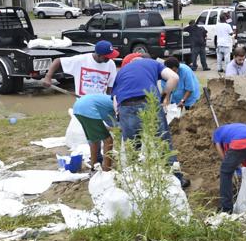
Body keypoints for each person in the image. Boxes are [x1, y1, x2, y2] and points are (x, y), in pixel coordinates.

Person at [112, 53, 188, 188]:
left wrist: (119, 115)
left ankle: (135, 184)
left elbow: (115, 99)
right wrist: (164, 96)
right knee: (163, 142)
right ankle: (176, 180)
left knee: (133, 146)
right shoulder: (153, 63)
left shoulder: (121, 72)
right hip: (148, 102)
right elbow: (174, 78)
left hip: (125, 107)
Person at [42, 40, 118, 95]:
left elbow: (110, 86)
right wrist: (48, 77)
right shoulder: (81, 60)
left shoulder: (111, 64)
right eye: (107, 57)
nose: (109, 59)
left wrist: (109, 101)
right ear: (99, 55)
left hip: (100, 102)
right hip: (83, 102)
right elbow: (58, 61)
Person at [72, 94, 115, 171]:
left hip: (77, 108)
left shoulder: (111, 101)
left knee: (94, 140)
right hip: (88, 109)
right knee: (108, 141)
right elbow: (119, 127)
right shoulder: (119, 105)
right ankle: (107, 170)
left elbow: (107, 125)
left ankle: (94, 166)